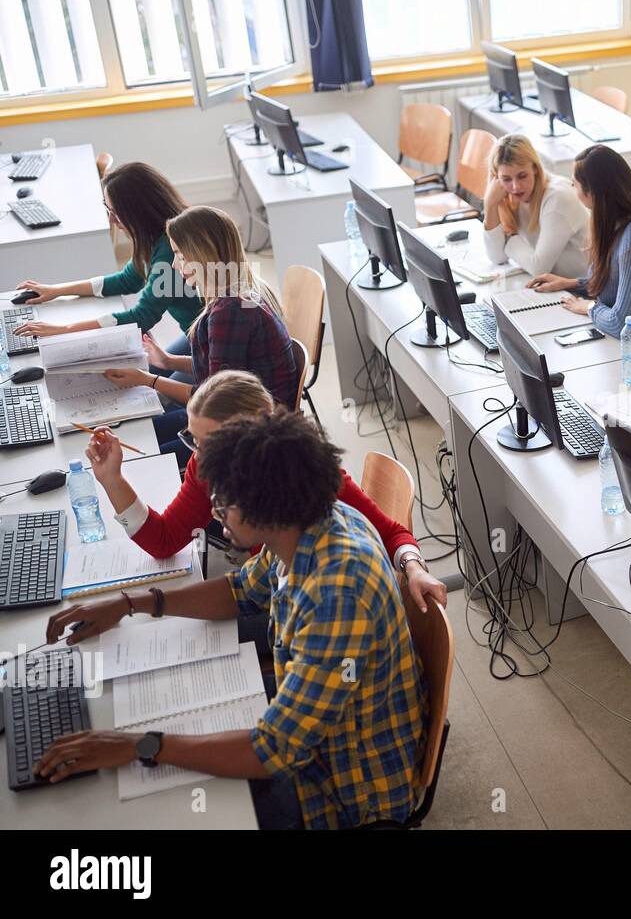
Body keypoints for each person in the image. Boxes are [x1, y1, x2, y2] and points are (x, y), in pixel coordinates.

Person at [38, 410, 427, 830]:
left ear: (264, 509)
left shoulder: (337, 595)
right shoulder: (308, 523)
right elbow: (239, 590)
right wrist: (131, 603)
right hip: (313, 735)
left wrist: (141, 746)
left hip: (344, 790)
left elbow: (273, 751)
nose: (214, 513)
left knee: (171, 813)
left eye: (223, 504)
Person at [84, 370, 448, 619]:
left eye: (210, 442)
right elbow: (169, 543)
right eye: (193, 439)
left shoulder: (313, 483)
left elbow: (391, 533)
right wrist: (112, 480)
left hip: (294, 603)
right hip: (276, 589)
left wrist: (413, 568)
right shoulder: (206, 465)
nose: (199, 455)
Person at [102, 205, 297, 464]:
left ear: (204, 253)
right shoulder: (241, 289)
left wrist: (147, 380)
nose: (174, 264)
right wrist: (169, 362)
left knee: (142, 452)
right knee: (141, 433)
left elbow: (214, 401)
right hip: (241, 416)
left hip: (248, 435)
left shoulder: (230, 310)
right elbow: (222, 370)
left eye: (180, 254)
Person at [15, 162, 200, 382]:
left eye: (115, 212)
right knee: (150, 374)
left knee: (163, 397)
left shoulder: (170, 250)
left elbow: (141, 317)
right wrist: (57, 290)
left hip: (216, 345)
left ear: (138, 211)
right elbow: (128, 280)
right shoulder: (156, 235)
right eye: (108, 209)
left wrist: (65, 330)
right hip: (198, 335)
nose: (111, 220)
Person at [525, 145, 631, 370]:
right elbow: (614, 282)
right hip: (623, 345)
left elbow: (623, 323)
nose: (571, 186)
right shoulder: (607, 221)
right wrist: (571, 284)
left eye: (574, 183)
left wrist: (587, 307)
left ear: (592, 192)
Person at [482, 134, 589, 277]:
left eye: (522, 176)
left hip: (580, 291)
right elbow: (497, 257)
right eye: (506, 179)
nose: (515, 187)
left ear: (535, 169)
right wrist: (490, 204)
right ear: (496, 178)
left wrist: (508, 237)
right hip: (553, 286)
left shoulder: (558, 198)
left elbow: (539, 268)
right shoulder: (510, 197)